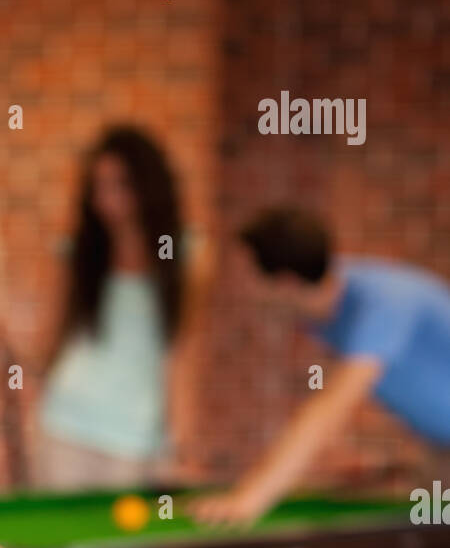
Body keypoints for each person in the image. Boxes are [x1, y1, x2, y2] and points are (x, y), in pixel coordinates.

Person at [190, 207, 450, 524]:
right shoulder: (324, 314)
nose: (240, 289)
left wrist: (250, 498)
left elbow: (330, 407)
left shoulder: (382, 302)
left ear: (284, 282)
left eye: (247, 276)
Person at [30, 124, 208, 489]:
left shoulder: (189, 256)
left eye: (120, 184)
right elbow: (48, 346)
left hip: (137, 439)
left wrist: (182, 447)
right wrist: (9, 342)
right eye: (98, 187)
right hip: (65, 426)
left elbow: (182, 355)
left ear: (148, 184)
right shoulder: (77, 254)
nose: (107, 200)